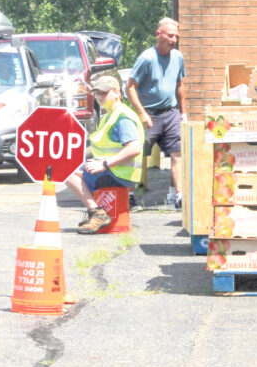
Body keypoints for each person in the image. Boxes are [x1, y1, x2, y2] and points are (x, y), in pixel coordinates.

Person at [64, 75, 145, 234]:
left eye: (103, 92)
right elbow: (100, 147)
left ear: (116, 93)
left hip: (118, 173)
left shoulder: (122, 117)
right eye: (96, 93)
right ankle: (98, 212)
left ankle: (97, 213)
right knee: (72, 169)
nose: (99, 97)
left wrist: (104, 164)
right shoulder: (109, 116)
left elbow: (134, 148)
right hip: (114, 170)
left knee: (66, 172)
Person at [125, 17, 186, 209]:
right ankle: (130, 195)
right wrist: (141, 113)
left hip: (171, 114)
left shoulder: (178, 57)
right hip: (149, 115)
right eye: (170, 35)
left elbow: (180, 85)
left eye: (176, 36)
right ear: (158, 34)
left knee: (178, 154)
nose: (173, 39)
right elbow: (130, 87)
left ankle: (179, 196)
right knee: (136, 154)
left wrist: (183, 113)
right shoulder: (147, 58)